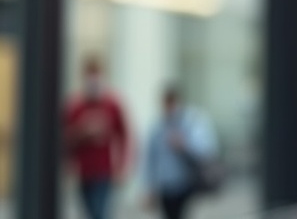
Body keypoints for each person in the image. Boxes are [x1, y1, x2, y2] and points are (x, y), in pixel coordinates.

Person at [63, 55, 132, 219]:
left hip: (104, 170)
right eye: (89, 75)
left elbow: (124, 136)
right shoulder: (76, 106)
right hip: (83, 170)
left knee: (99, 212)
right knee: (88, 211)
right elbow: (64, 138)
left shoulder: (112, 104)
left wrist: (122, 165)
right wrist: (82, 132)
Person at [143, 86, 219, 219]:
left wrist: (184, 145)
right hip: (165, 185)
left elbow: (206, 150)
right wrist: (149, 187)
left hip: (187, 183)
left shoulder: (192, 121)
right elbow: (151, 159)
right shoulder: (157, 128)